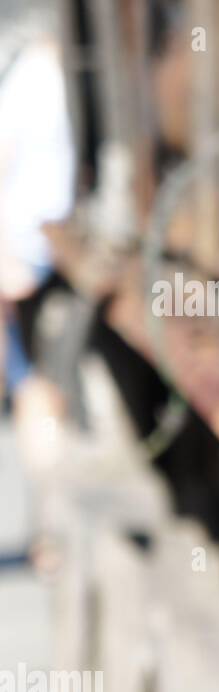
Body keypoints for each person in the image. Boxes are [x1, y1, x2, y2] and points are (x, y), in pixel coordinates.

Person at [0, 26, 76, 430]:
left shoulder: (56, 74)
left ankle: (25, 384)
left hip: (44, 234)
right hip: (26, 233)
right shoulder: (34, 75)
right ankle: (24, 384)